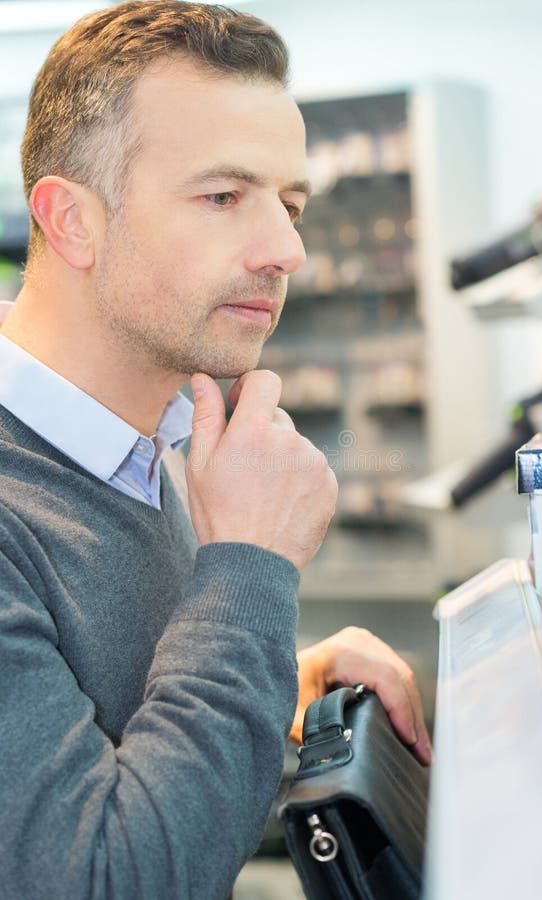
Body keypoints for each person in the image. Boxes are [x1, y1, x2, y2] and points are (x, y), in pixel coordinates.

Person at [0, 2, 432, 898]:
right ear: (71, 221)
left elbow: (108, 734)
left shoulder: (146, 445)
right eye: (224, 197)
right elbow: (103, 879)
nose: (287, 250)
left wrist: (275, 677)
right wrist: (249, 574)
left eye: (291, 205)